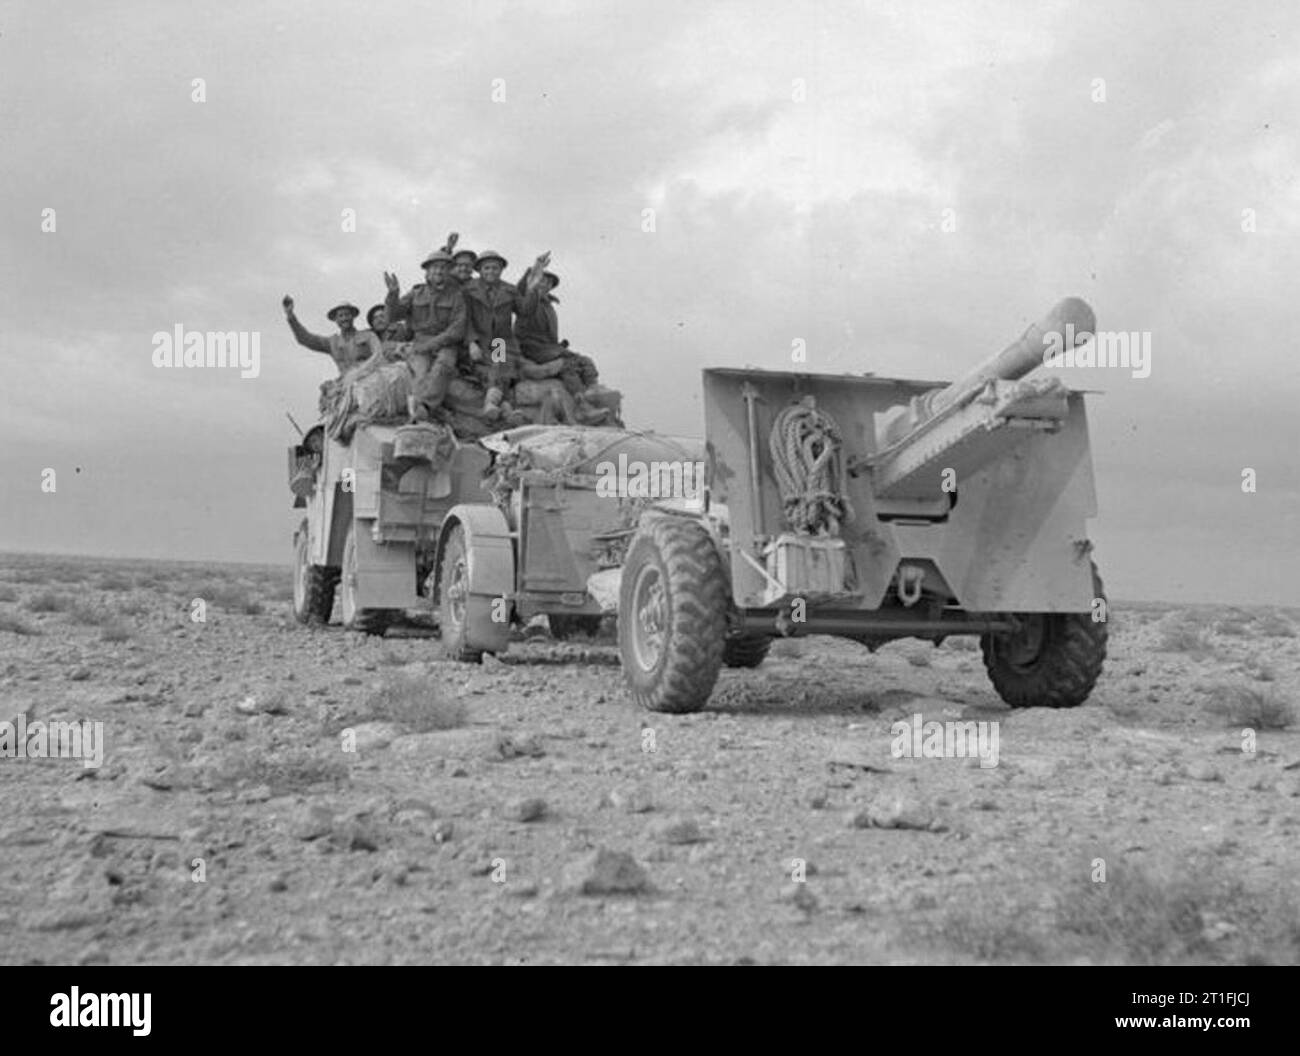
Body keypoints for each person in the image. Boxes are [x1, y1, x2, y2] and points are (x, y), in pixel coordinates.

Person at [462, 250, 548, 419]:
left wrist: (532, 289)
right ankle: (506, 405)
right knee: (490, 369)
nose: (491, 272)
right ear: (479, 270)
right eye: (486, 268)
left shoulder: (509, 290)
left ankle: (492, 403)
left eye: (495, 268)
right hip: (479, 340)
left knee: (499, 364)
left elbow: (525, 311)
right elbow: (464, 319)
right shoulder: (469, 289)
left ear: (501, 270)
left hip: (499, 341)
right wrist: (472, 342)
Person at [383, 250, 467, 418]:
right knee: (421, 372)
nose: (439, 271)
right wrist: (393, 295)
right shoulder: (417, 293)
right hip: (431, 343)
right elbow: (393, 316)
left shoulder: (463, 292)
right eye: (435, 268)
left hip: (491, 340)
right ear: (427, 272)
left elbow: (459, 328)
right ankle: (420, 409)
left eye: (443, 268)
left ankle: (497, 401)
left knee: (498, 369)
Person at [513, 269, 600, 396]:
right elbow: (520, 291)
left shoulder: (548, 306)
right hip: (526, 346)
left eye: (549, 283)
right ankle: (581, 399)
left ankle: (593, 391)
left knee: (585, 361)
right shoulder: (525, 299)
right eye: (542, 281)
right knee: (568, 364)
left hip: (545, 347)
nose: (545, 285)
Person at [282, 298, 382, 373]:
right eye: (340, 316)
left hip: (369, 380)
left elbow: (378, 355)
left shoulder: (368, 336)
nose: (344, 318)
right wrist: (291, 316)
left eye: (347, 314)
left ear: (353, 317)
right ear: (336, 320)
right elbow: (306, 339)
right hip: (344, 385)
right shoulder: (332, 342)